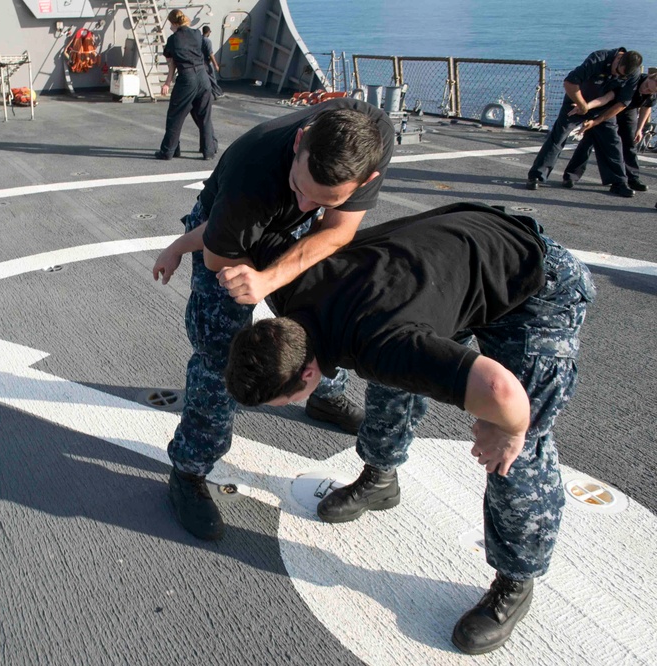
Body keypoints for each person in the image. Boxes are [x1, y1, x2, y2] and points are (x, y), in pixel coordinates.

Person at [224, 202, 594, 655]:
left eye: (283, 400)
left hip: (533, 284)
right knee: (391, 380)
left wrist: (511, 428)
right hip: (451, 266)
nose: (286, 406)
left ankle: (516, 581)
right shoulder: (289, 289)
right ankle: (380, 478)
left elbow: (501, 391)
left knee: (515, 449)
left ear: (306, 376)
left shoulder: (381, 342)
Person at [151, 98, 395, 541]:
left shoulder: (371, 138)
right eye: (300, 188)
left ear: (368, 178)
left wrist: (276, 276)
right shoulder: (253, 174)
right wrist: (258, 280)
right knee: (220, 352)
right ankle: (188, 470)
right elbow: (217, 255)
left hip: (291, 231)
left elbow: (337, 229)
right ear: (299, 143)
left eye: (319, 199)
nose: (305, 202)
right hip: (228, 229)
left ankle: (324, 394)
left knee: (321, 313)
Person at [526, 48, 641, 197]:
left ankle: (619, 183)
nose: (616, 75)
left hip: (601, 106)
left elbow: (622, 103)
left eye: (621, 76)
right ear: (618, 59)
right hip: (576, 101)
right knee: (558, 136)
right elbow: (570, 83)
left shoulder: (633, 73)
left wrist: (597, 120)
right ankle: (536, 176)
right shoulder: (598, 58)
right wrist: (582, 106)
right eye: (617, 71)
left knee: (612, 141)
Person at [562, 71, 657, 192]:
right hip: (609, 106)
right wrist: (586, 107)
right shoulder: (631, 82)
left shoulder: (652, 94)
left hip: (628, 110)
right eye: (646, 86)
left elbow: (646, 107)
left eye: (650, 91)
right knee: (589, 140)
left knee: (629, 142)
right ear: (648, 77)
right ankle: (571, 175)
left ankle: (632, 178)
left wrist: (639, 129)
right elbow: (606, 98)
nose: (646, 90)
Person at [155, 10, 216, 160]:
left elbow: (172, 64)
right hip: (203, 77)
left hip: (187, 78)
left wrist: (167, 83)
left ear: (174, 23)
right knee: (204, 116)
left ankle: (169, 151)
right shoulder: (197, 33)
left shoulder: (173, 39)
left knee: (175, 116)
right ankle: (208, 151)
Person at [200, 25, 224, 99]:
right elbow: (211, 54)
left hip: (200, 62)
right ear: (208, 32)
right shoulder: (207, 41)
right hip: (206, 63)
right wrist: (216, 65)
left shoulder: (199, 39)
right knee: (212, 78)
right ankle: (217, 93)